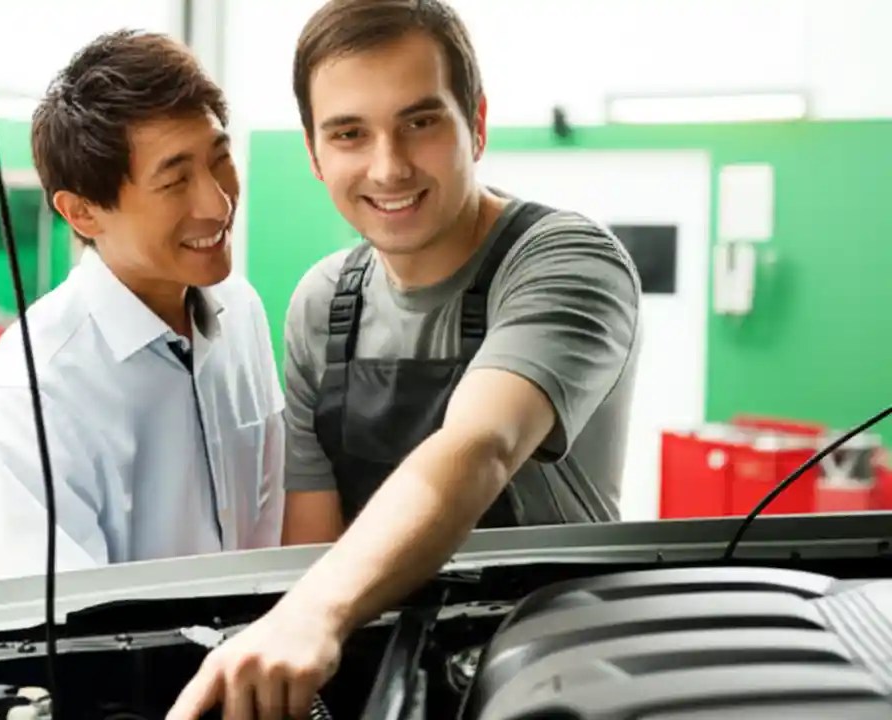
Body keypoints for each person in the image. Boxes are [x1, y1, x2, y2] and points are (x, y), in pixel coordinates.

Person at [167, 1, 641, 717]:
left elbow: (479, 445)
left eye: (421, 123)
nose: (388, 168)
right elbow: (313, 540)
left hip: (552, 672)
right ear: (314, 152)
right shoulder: (324, 302)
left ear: (475, 124)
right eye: (350, 133)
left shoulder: (566, 260)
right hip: (378, 668)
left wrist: (310, 615)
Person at [0, 30, 285, 577]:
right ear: (83, 213)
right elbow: (77, 635)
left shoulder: (241, 310)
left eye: (220, 159)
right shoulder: (26, 402)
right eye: (175, 180)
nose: (218, 200)